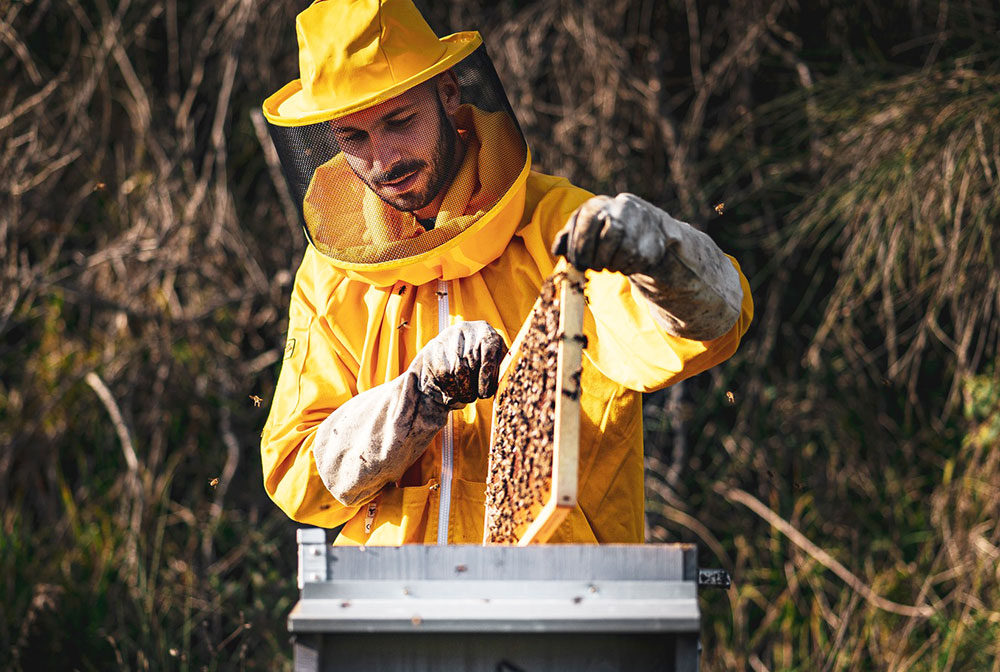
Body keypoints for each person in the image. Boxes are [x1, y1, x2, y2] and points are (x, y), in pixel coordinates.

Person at [259, 0, 753, 545]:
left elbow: (710, 326)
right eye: (354, 138)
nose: (383, 159)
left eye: (400, 121)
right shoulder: (331, 277)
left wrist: (663, 256)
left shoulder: (559, 226)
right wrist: (414, 400)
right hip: (394, 601)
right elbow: (297, 477)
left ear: (448, 94)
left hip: (564, 592)